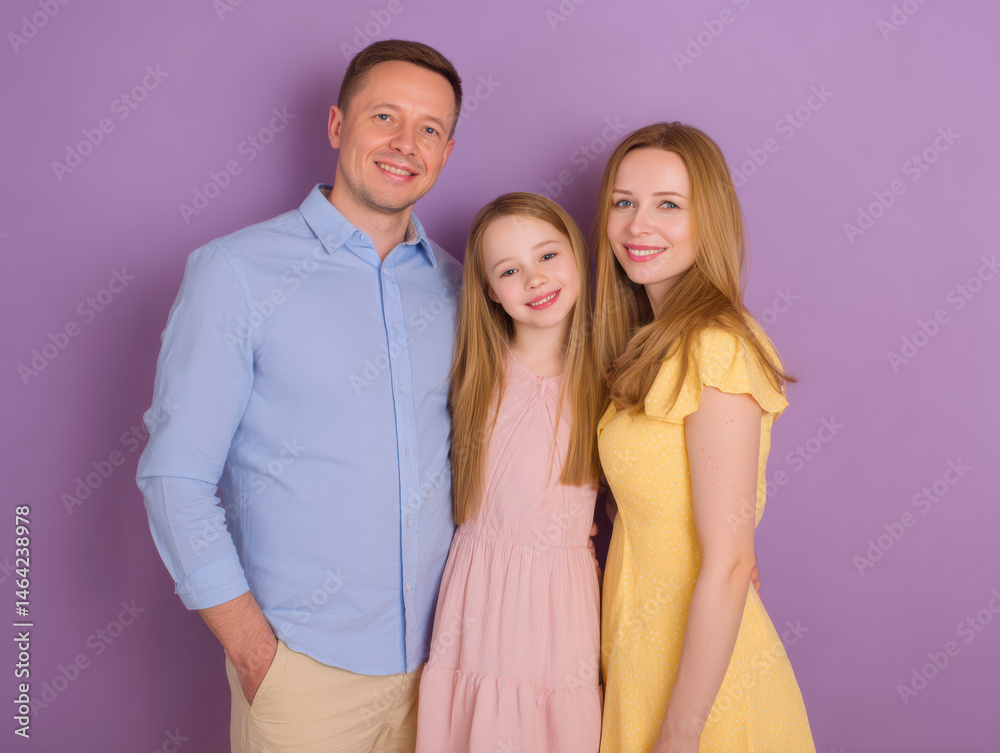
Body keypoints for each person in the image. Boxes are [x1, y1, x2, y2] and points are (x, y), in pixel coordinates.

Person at [136, 40, 464, 753]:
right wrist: (258, 656)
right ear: (338, 125)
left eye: (430, 128)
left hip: (445, 674)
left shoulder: (462, 288)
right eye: (385, 116)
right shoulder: (237, 272)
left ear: (446, 150)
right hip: (305, 676)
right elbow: (175, 477)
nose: (406, 143)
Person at [593, 123, 815, 752]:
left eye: (668, 204)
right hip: (645, 661)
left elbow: (731, 559)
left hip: (702, 698)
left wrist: (680, 735)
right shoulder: (655, 347)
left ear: (708, 219)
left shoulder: (715, 346)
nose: (639, 226)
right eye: (623, 202)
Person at [415, 193, 605, 753]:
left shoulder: (610, 374)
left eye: (547, 256)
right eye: (509, 270)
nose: (534, 279)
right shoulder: (474, 372)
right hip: (478, 596)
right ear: (490, 291)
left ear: (577, 253)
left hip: (562, 604)